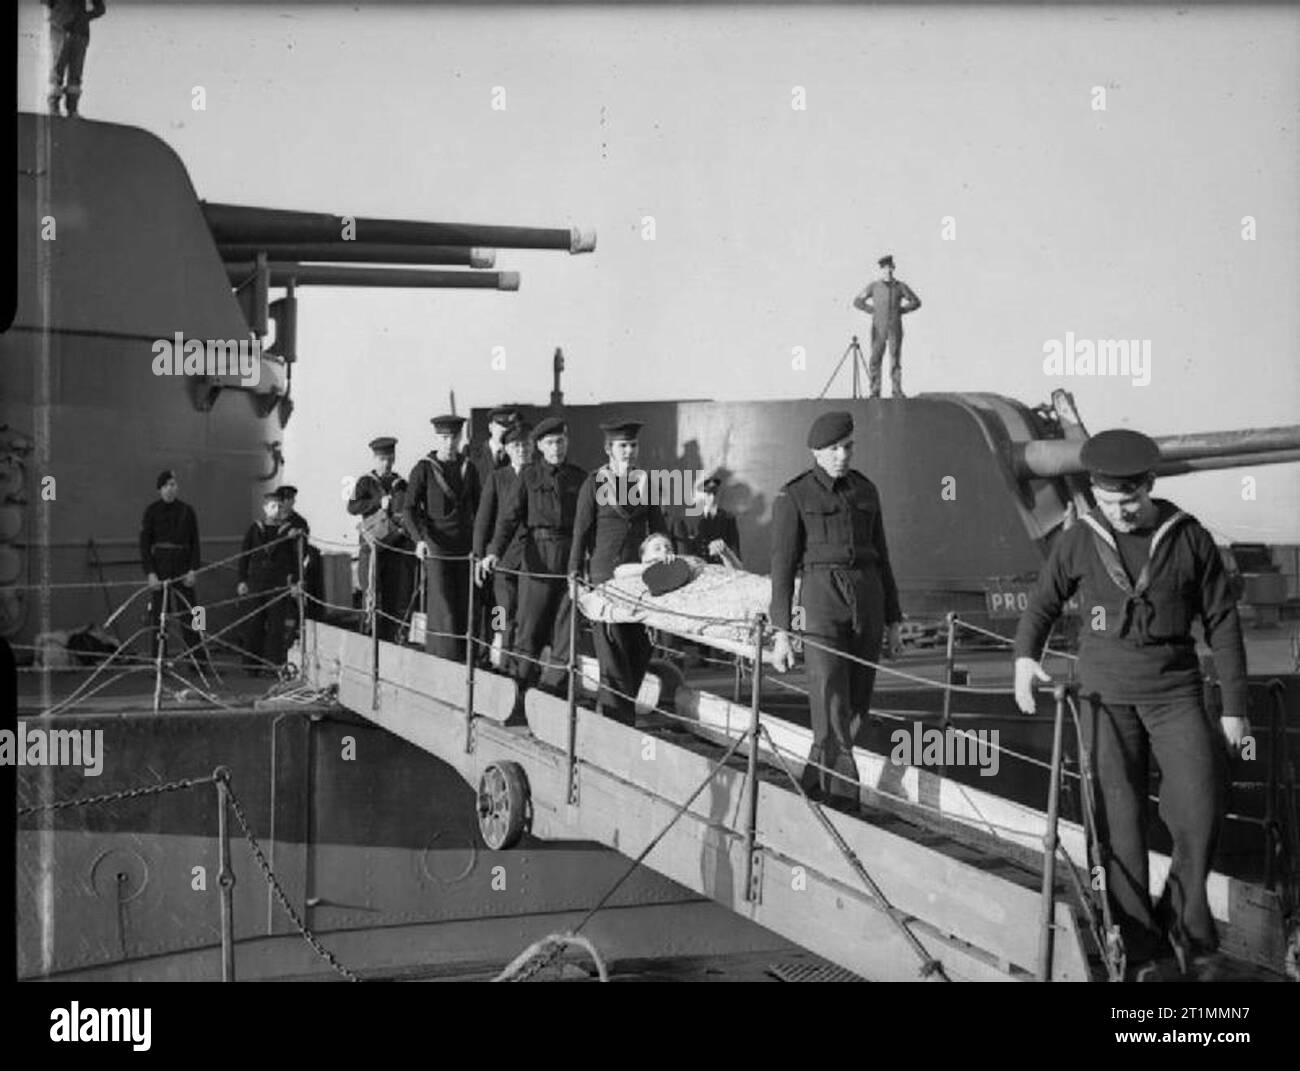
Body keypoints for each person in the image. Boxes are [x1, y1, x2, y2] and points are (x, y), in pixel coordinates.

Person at [1013, 429, 1250, 983]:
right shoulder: (1079, 539)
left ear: (1148, 486)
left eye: (1128, 500)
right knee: (1118, 822)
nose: (1118, 512)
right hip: (1104, 694)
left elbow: (1223, 623)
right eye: (1107, 501)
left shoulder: (1190, 539)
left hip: (1175, 691)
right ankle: (1140, 946)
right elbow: (1043, 602)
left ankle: (1186, 921)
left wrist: (1234, 706)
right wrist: (1026, 658)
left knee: (1201, 805)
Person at [769, 412, 904, 810]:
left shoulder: (866, 491)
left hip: (869, 597)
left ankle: (814, 787)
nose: (842, 455)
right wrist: (782, 632)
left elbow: (884, 557)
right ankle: (843, 806)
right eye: (834, 449)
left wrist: (894, 621)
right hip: (821, 599)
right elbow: (782, 568)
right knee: (829, 698)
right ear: (816, 452)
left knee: (857, 704)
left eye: (848, 447)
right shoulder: (794, 496)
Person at [482, 416, 587, 717]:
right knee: (527, 633)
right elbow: (508, 519)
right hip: (536, 560)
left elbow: (589, 524)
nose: (557, 448)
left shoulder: (580, 478)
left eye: (562, 441)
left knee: (565, 637)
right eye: (551, 443)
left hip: (570, 562)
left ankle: (551, 698)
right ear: (540, 446)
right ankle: (517, 698)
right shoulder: (526, 477)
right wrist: (492, 552)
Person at [569, 419, 669, 725]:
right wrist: (574, 573)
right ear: (609, 449)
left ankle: (619, 714)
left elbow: (658, 530)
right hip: (606, 579)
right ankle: (616, 722)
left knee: (640, 649)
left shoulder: (646, 482)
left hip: (640, 580)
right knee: (613, 654)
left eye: (633, 445)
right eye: (622, 446)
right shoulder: (594, 483)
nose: (629, 451)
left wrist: (666, 561)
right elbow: (581, 532)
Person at [404, 414, 481, 662]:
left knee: (462, 603)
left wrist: (479, 546)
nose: (449, 442)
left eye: (454, 437)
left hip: (464, 545)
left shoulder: (469, 469)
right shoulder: (424, 469)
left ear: (460, 438)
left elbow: (479, 509)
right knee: (443, 605)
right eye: (444, 438)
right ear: (437, 438)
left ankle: (463, 659)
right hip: (437, 545)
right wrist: (419, 539)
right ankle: (442, 660)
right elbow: (409, 509)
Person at [473, 421, 532, 663]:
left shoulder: (541, 476)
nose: (522, 450)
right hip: (504, 559)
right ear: (507, 449)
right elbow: (483, 520)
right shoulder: (498, 478)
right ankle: (501, 655)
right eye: (516, 446)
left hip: (533, 560)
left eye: (526, 445)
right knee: (501, 611)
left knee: (527, 616)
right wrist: (479, 556)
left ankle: (523, 665)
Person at [348, 436, 414, 642]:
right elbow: (352, 507)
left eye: (389, 459)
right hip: (372, 546)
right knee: (371, 594)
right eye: (382, 459)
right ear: (375, 459)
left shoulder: (401, 483)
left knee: (395, 595)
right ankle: (368, 638)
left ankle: (389, 639)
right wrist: (378, 502)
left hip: (395, 546)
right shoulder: (366, 481)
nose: (386, 463)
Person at [138, 469, 206, 665]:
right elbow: (144, 545)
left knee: (194, 613)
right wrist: (150, 573)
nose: (171, 488)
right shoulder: (151, 511)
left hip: (184, 566)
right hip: (160, 568)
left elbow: (195, 543)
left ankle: (199, 660)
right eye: (167, 485)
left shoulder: (187, 511)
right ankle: (159, 661)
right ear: (160, 489)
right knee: (159, 618)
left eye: (174, 484)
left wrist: (194, 569)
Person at [237, 491, 296, 672]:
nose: (276, 510)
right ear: (265, 508)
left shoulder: (288, 531)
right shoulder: (255, 529)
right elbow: (244, 556)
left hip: (277, 582)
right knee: (254, 623)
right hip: (256, 581)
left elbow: (294, 560)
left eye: (279, 506)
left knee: (276, 626)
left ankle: (273, 665)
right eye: (272, 506)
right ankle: (251, 665)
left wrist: (294, 581)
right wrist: (242, 580)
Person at [852, 254, 921, 399]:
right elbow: (858, 301)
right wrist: (872, 310)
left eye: (890, 267)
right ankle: (874, 391)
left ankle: (897, 391)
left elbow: (916, 301)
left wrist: (902, 310)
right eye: (885, 268)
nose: (888, 270)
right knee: (876, 358)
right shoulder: (874, 286)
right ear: (881, 269)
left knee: (895, 359)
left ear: (893, 268)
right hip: (878, 327)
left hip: (895, 327)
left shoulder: (900, 287)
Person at [45, 0, 106, 118]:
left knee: (74, 72)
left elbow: (100, 8)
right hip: (62, 28)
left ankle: (71, 109)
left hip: (77, 32)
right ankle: (55, 108)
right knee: (58, 69)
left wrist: (84, 17)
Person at [671, 473, 740, 563]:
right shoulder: (682, 519)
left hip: (722, 571)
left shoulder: (728, 518)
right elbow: (683, 555)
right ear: (695, 494)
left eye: (715, 493)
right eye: (707, 493)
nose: (712, 497)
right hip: (696, 571)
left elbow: (735, 554)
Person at [470, 406, 520, 487]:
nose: (505, 429)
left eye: (509, 425)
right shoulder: (472, 453)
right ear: (490, 427)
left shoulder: (518, 455)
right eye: (500, 425)